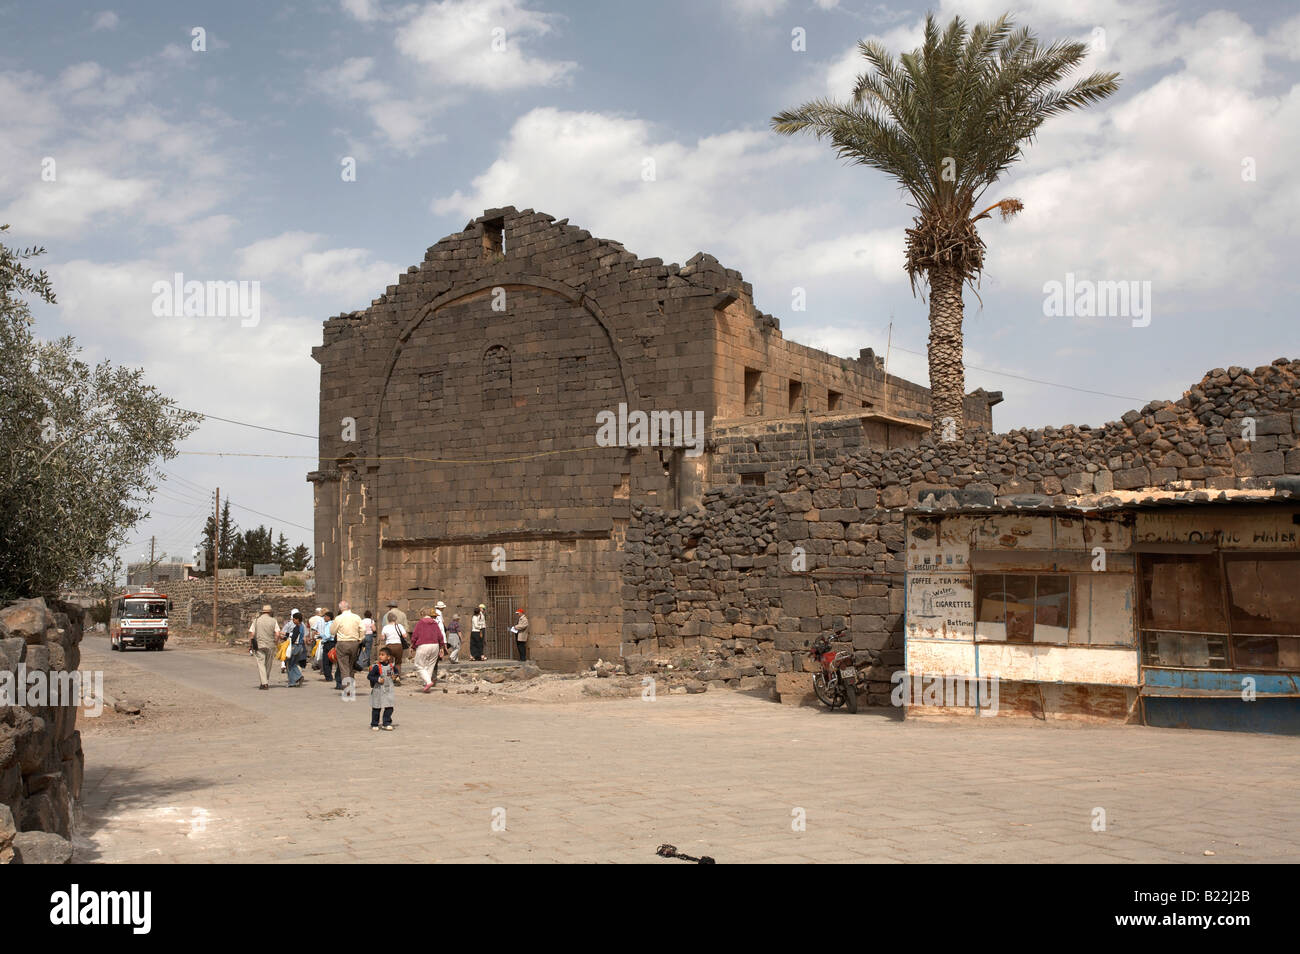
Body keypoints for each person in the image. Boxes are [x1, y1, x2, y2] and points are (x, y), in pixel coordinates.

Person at [410, 607, 446, 693]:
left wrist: (412, 646)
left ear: (422, 614)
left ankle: (429, 682)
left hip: (423, 645)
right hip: (435, 645)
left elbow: (415, 635)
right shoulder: (435, 623)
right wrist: (441, 647)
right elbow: (440, 635)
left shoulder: (420, 623)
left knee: (418, 665)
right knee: (430, 666)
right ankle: (427, 686)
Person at [332, 600, 366, 689]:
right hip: (354, 643)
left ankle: (347, 686)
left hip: (342, 642)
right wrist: (360, 638)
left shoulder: (338, 618)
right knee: (351, 664)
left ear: (340, 609)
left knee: (343, 666)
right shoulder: (356, 617)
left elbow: (332, 631)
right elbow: (363, 629)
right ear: (349, 607)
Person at [248, 604, 279, 690]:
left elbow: (252, 634)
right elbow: (277, 634)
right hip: (270, 645)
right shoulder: (274, 621)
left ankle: (264, 683)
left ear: (263, 612)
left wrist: (251, 645)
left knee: (261, 664)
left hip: (259, 644)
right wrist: (275, 642)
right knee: (268, 665)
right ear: (270, 612)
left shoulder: (256, 621)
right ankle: (265, 681)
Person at [368, 647, 397, 730]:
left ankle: (386, 723)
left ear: (388, 657)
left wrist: (395, 676)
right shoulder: (376, 667)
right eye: (379, 655)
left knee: (389, 707)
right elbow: (369, 676)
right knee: (377, 707)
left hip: (389, 690)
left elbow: (396, 673)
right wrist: (377, 679)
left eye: (382, 655)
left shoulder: (392, 666)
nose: (380, 656)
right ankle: (374, 724)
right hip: (378, 690)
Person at [381, 611, 407, 684]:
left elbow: (382, 638)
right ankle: (397, 677)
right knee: (398, 662)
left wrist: (386, 636)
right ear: (395, 619)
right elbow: (405, 636)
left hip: (389, 646)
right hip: (398, 646)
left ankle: (390, 677)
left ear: (388, 619)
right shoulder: (399, 626)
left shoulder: (385, 627)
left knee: (390, 663)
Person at [285, 611, 307, 688]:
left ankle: (292, 681)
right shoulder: (302, 627)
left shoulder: (297, 628)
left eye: (294, 620)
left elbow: (293, 638)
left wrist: (286, 637)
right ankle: (298, 676)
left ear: (297, 619)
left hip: (295, 647)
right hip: (300, 647)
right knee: (294, 664)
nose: (293, 621)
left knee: (289, 664)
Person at [319, 610, 336, 683]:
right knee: (330, 660)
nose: (324, 618)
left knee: (326, 661)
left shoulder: (328, 625)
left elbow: (327, 635)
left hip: (328, 643)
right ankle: (329, 675)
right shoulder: (333, 623)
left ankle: (328, 677)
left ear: (329, 617)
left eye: (325, 616)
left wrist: (320, 635)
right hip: (332, 643)